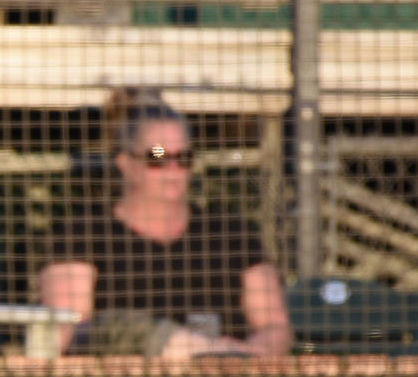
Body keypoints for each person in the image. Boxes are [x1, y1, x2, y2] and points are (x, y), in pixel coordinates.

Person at [39, 88, 292, 359]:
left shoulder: (231, 234)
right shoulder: (85, 235)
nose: (173, 170)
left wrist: (252, 352)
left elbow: (275, 326)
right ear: (125, 162)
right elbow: (71, 331)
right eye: (157, 157)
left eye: (183, 157)